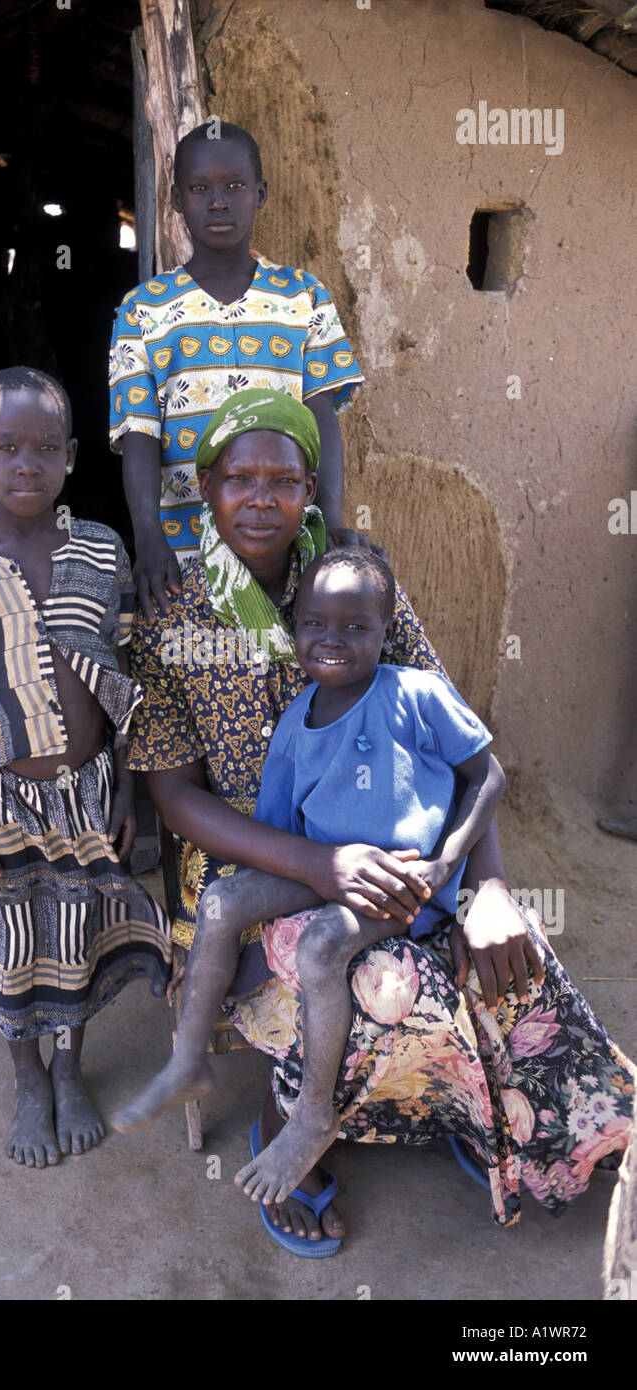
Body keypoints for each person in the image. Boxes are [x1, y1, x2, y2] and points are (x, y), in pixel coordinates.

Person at [124, 387, 635, 1253]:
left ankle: (482, 1111)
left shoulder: (355, 582)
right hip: (253, 851)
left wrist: (493, 889)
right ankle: (292, 1116)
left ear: (311, 486)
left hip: (401, 849)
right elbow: (175, 797)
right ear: (205, 486)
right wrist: (318, 865)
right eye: (238, 478)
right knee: (373, 975)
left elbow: (459, 750)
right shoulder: (173, 610)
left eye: (282, 480)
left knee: (509, 949)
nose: (260, 498)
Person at [115, 542, 506, 1210]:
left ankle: (312, 1117)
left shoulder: (416, 693)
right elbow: (279, 835)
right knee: (221, 900)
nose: (333, 640)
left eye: (357, 627)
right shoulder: (296, 726)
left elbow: (487, 775)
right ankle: (187, 1061)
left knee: (324, 945)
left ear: (388, 630)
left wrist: (454, 867)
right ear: (294, 632)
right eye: (316, 625)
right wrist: (236, 951)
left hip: (404, 880)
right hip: (329, 872)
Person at [0, 367, 172, 1169]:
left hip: (92, 789)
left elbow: (126, 674)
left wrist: (129, 786)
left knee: (79, 935)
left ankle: (71, 1069)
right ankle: (27, 1077)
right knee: (15, 940)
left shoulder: (100, 551)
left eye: (45, 448)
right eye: (8, 447)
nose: (27, 464)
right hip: (6, 800)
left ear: (69, 458)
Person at [109, 120, 365, 620]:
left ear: (261, 193)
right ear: (178, 200)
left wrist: (330, 518)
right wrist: (149, 539)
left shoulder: (302, 296)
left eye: (235, 186)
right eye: (200, 188)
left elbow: (322, 418)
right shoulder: (143, 309)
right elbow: (138, 434)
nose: (218, 201)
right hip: (186, 554)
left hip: (287, 549)